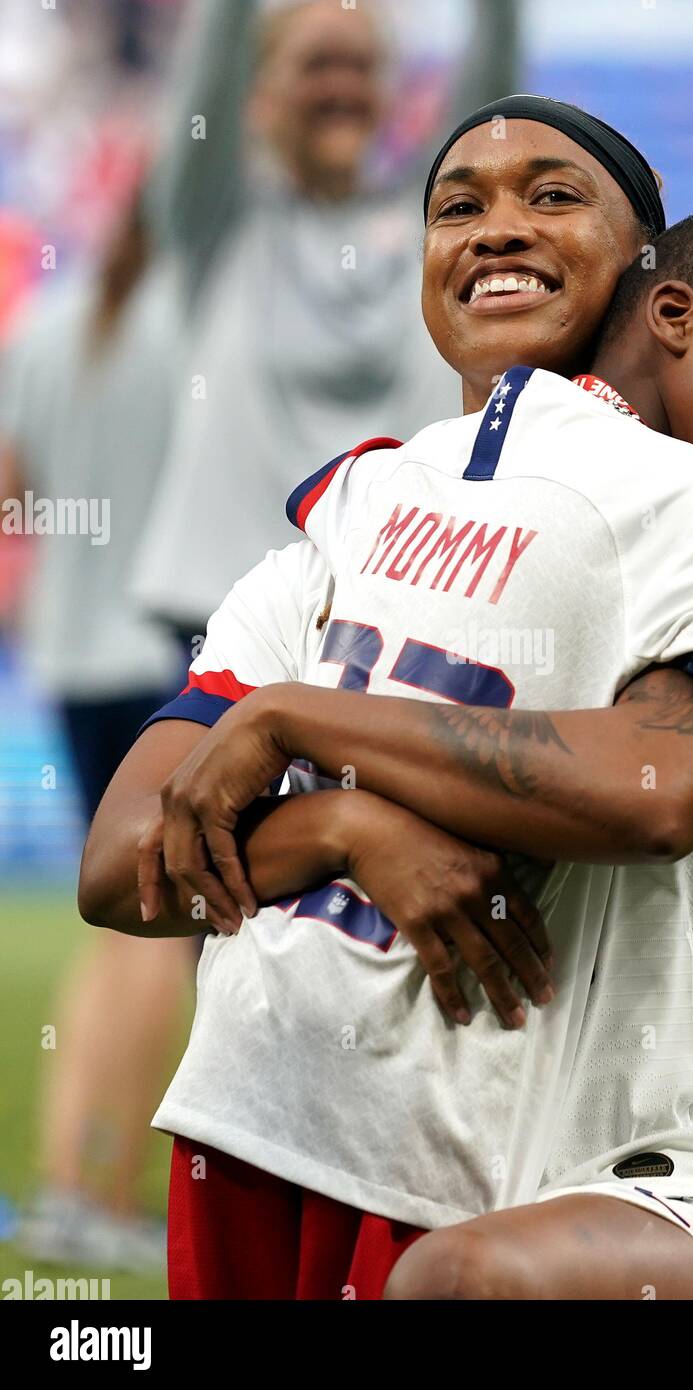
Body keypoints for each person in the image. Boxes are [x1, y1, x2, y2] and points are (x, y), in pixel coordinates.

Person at [80, 102, 693, 1300]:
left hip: (524, 1168)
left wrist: (298, 721)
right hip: (258, 1136)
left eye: (551, 197)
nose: (498, 228)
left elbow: (649, 790)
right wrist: (353, 827)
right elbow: (124, 864)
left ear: (652, 280)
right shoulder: (343, 516)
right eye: (459, 206)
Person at [130, 0, 521, 645]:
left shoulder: (434, 218)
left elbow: (490, 98)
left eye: (361, 66)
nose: (341, 84)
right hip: (229, 613)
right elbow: (208, 81)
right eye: (317, 65)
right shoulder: (218, 221)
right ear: (262, 92)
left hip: (396, 606)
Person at [0, 191, 191, 1271]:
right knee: (161, 927)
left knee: (119, 925)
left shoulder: (41, 322)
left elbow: (12, 492)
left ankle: (75, 1183)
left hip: (72, 660)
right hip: (165, 654)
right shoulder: (196, 319)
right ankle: (97, 1189)